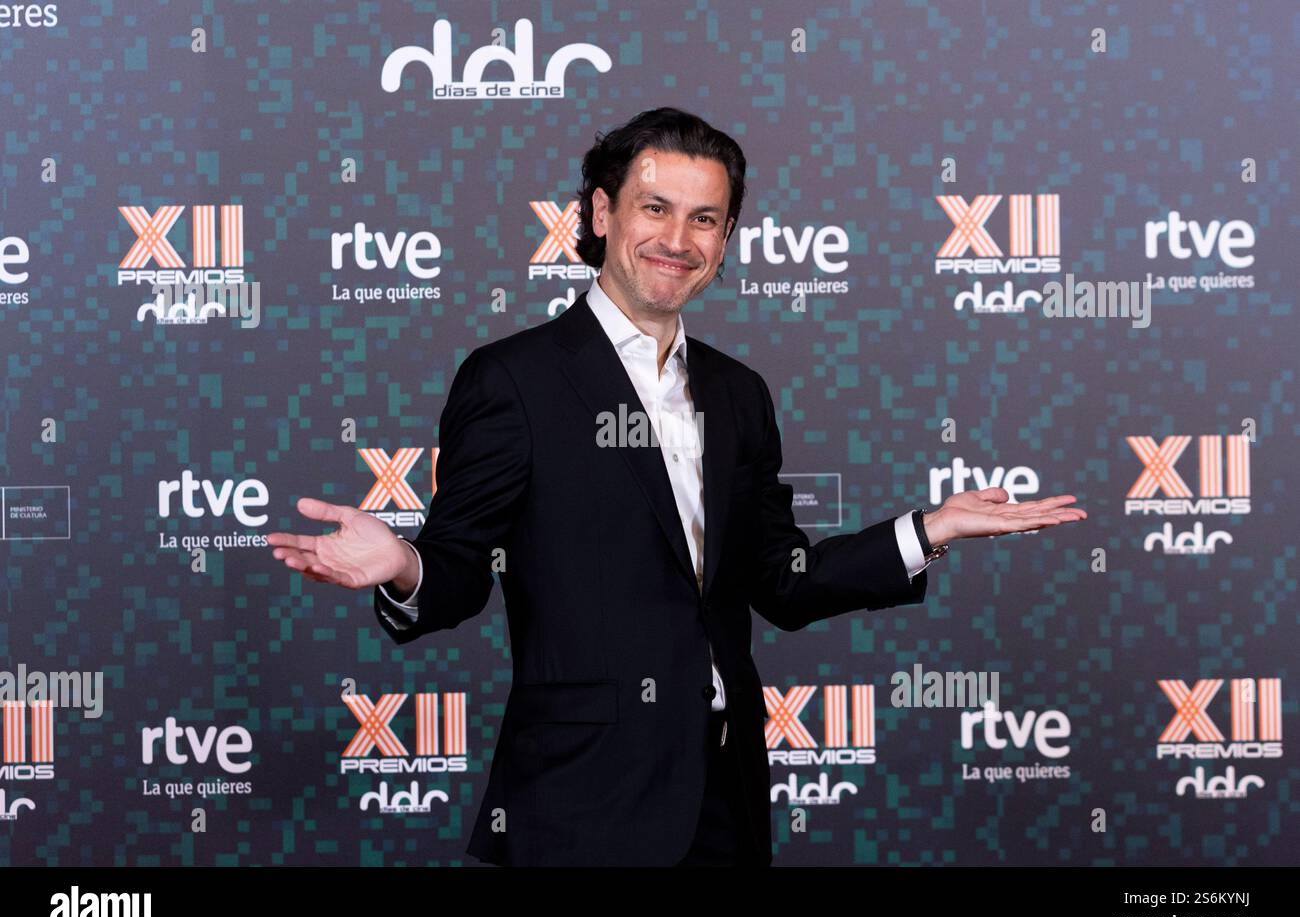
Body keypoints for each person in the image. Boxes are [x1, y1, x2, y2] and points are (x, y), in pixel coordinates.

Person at [268, 106, 1087, 866]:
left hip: (724, 802)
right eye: (655, 208)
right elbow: (453, 571)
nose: (678, 239)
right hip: (581, 803)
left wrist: (928, 531)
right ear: (600, 214)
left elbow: (783, 584)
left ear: (726, 239)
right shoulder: (514, 380)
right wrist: (403, 566)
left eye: (705, 219)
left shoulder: (739, 393)